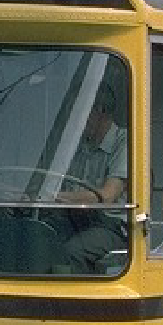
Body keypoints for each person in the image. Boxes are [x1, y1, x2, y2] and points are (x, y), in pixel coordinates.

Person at [57, 83, 128, 269]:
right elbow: (64, 185)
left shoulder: (125, 142)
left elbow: (107, 196)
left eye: (78, 112)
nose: (73, 119)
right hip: (78, 220)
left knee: (71, 252)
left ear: (99, 111)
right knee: (38, 239)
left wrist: (55, 197)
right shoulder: (80, 145)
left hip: (113, 226)